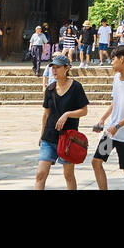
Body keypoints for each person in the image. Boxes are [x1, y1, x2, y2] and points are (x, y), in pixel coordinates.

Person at [91, 44, 124, 190]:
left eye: (113, 59)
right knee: (96, 162)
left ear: (122, 60)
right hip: (110, 133)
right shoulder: (116, 78)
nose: (111, 62)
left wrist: (118, 126)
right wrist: (102, 119)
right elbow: (115, 103)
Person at [34, 54, 89, 190]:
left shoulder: (76, 87)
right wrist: (41, 135)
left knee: (68, 175)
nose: (54, 70)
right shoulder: (50, 88)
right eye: (52, 67)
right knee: (40, 174)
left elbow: (84, 111)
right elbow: (46, 114)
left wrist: (67, 114)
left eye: (57, 67)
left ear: (66, 68)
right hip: (49, 137)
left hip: (68, 139)